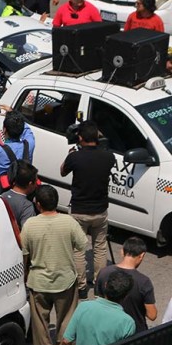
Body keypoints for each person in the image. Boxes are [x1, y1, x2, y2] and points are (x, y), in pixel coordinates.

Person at [21, 185, 88, 345]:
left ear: (38, 203)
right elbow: (83, 245)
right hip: (65, 280)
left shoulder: (30, 225)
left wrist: (25, 276)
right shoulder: (69, 222)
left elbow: (25, 255)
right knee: (66, 319)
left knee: (40, 324)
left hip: (38, 282)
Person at [60, 120, 115, 299]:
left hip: (79, 211)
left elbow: (62, 171)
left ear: (80, 137)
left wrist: (70, 155)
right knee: (100, 249)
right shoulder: (108, 157)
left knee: (78, 250)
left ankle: (81, 286)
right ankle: (99, 286)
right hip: (100, 211)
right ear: (97, 136)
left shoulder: (75, 157)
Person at [61, 270, 136, 345]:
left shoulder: (84, 307)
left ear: (105, 285)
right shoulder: (127, 322)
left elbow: (66, 341)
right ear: (126, 296)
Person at [95, 237, 157, 333]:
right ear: (142, 255)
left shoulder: (103, 272)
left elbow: (98, 298)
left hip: (108, 326)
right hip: (134, 331)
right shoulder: (143, 281)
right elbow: (152, 315)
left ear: (122, 252)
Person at [2, 161, 38, 230]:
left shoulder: (2, 196)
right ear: (30, 184)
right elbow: (27, 233)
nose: (37, 185)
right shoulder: (27, 206)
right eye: (36, 181)